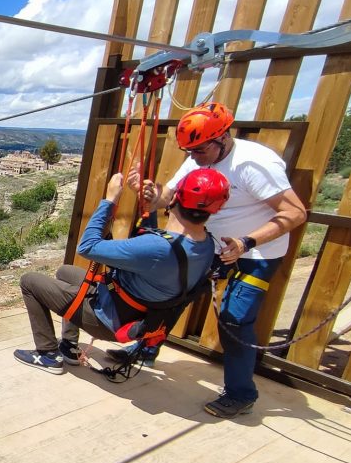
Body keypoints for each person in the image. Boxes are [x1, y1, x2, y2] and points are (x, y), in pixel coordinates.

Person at [128, 102, 307, 418]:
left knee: (235, 319)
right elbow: (168, 196)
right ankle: (146, 348)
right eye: (189, 151)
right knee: (172, 294)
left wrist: (246, 242)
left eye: (199, 150)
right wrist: (151, 196)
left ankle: (241, 394)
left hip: (256, 252)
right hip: (212, 245)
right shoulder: (198, 157)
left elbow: (295, 213)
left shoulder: (253, 164)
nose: (194, 157)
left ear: (223, 138)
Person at [13, 167, 229, 375]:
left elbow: (87, 247)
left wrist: (109, 199)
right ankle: (69, 345)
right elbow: (155, 245)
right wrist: (145, 203)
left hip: (106, 320)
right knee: (65, 272)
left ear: (174, 199)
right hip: (132, 314)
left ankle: (47, 353)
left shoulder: (157, 248)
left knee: (30, 281)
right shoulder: (205, 245)